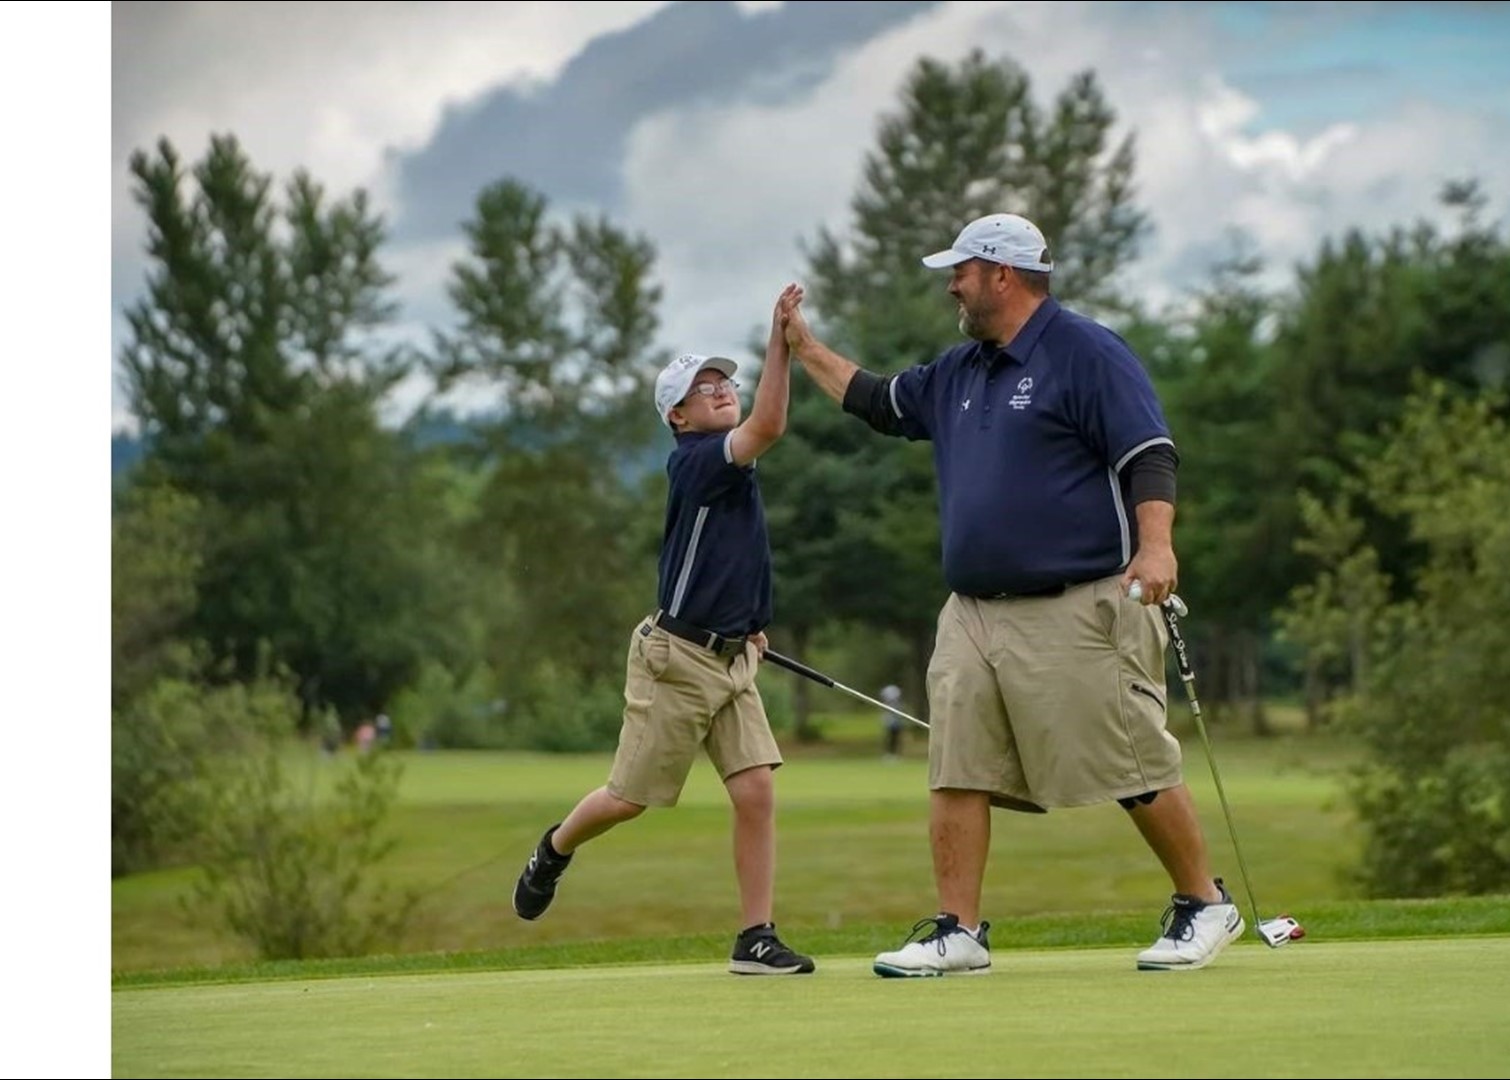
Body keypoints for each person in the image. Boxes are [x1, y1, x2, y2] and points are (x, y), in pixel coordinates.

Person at [782, 213, 1242, 977]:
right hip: (971, 613)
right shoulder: (960, 371)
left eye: (960, 271)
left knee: (1129, 762)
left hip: (1079, 600)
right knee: (957, 764)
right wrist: (804, 348)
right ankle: (958, 930)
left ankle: (1204, 902)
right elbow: (876, 401)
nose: (950, 285)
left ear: (1002, 274)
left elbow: (1149, 453)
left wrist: (1156, 544)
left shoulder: (1086, 352)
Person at [511, 284, 818, 977]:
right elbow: (769, 424)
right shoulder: (699, 461)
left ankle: (755, 938)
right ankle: (554, 848)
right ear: (677, 417)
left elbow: (742, 557)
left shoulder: (733, 466)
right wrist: (781, 343)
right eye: (701, 387)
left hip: (732, 656)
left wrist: (754, 625)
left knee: (757, 788)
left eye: (723, 381)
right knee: (628, 800)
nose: (718, 389)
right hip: (675, 658)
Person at [879, 684, 905, 760]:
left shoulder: (898, 704)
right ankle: (889, 754)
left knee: (896, 739)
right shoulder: (887, 705)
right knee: (889, 739)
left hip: (897, 723)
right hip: (889, 722)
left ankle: (895, 754)